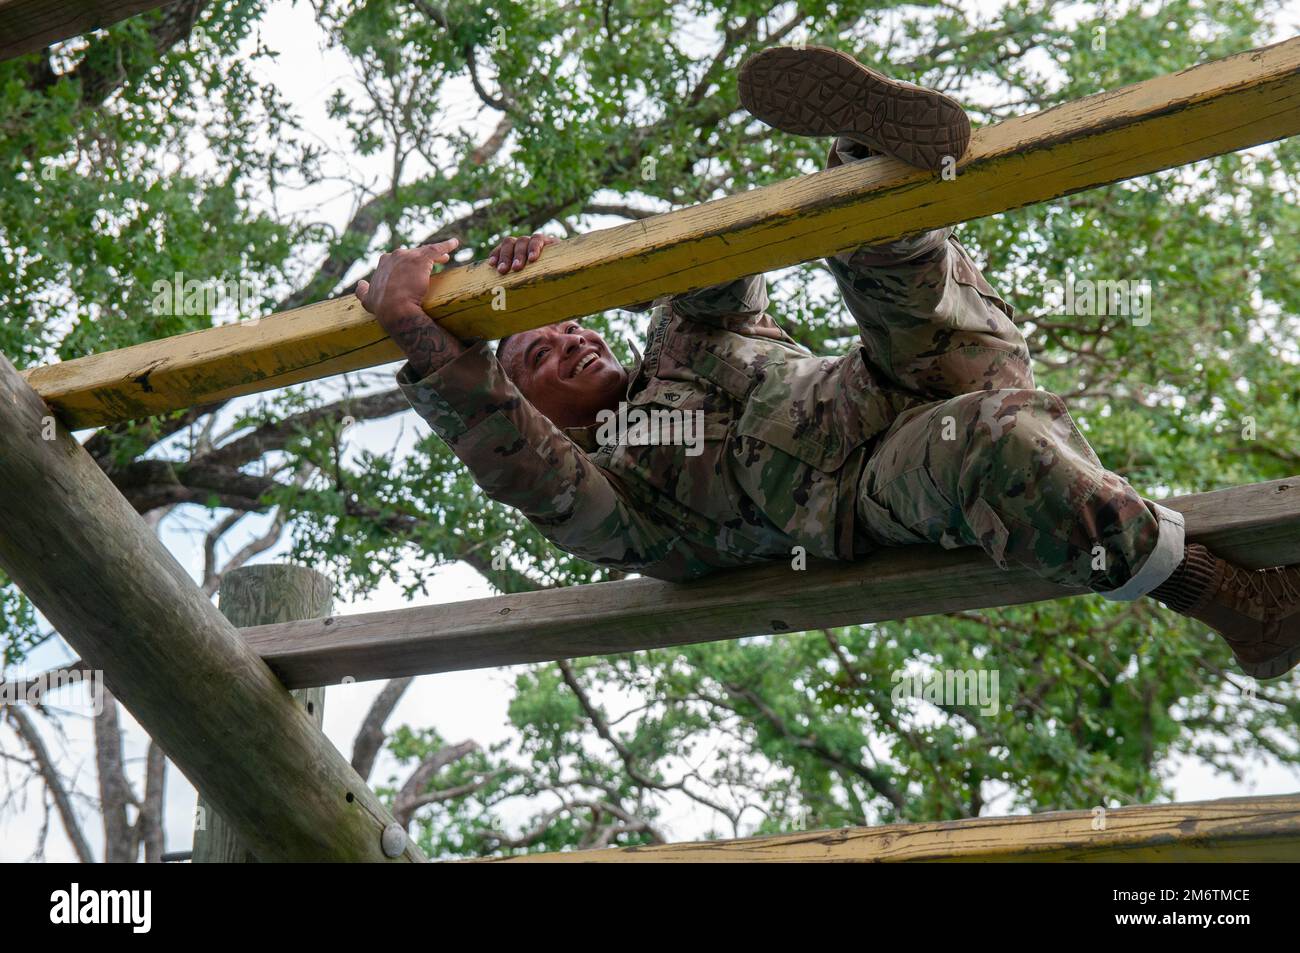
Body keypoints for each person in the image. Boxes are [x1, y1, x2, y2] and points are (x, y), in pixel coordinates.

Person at [356, 46, 1300, 679]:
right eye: (542, 352)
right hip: (867, 489)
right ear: (539, 412)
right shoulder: (621, 504)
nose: (570, 335)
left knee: (873, 256)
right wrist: (420, 329)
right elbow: (514, 463)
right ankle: (1234, 606)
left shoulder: (679, 340)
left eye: (567, 324)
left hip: (889, 377)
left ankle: (875, 163)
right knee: (997, 442)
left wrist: (578, 263)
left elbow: (718, 262)